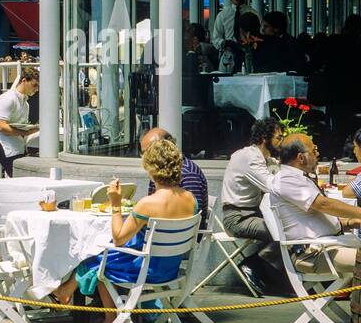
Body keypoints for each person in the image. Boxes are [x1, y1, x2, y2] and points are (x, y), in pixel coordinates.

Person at [50, 138, 198, 323]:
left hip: (148, 271)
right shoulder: (190, 200)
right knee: (102, 257)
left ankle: (107, 318)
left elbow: (119, 238)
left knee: (99, 261)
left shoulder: (148, 204)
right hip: (171, 269)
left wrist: (116, 203)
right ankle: (66, 292)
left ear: (151, 168)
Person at [271, 134, 361, 271]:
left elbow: (313, 221)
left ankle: (348, 293)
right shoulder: (285, 180)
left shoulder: (298, 178)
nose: (318, 154)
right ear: (300, 158)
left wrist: (351, 222)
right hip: (313, 254)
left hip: (328, 246)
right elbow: (324, 204)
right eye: (314, 151)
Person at [220, 116, 285, 295]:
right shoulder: (250, 158)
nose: (281, 142)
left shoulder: (263, 159)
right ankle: (253, 265)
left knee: (290, 226)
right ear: (265, 138)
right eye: (278, 138)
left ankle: (264, 270)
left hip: (252, 214)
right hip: (238, 218)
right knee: (286, 231)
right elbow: (272, 186)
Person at [139, 127, 208, 222]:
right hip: (159, 228)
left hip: (183, 234)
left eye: (148, 151)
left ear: (166, 147)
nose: (144, 157)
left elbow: (193, 217)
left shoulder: (188, 174)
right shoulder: (158, 171)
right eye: (143, 153)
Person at [0, 66, 39, 177]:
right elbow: (1, 127)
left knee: (17, 178)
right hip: (3, 143)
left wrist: (34, 129)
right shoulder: (8, 98)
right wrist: (25, 132)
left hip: (16, 146)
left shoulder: (25, 104)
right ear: (24, 80)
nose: (36, 89)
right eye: (34, 85)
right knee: (18, 178)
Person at [211, 0, 257, 71]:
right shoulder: (223, 15)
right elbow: (215, 38)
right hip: (229, 56)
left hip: (248, 55)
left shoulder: (253, 13)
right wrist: (225, 43)